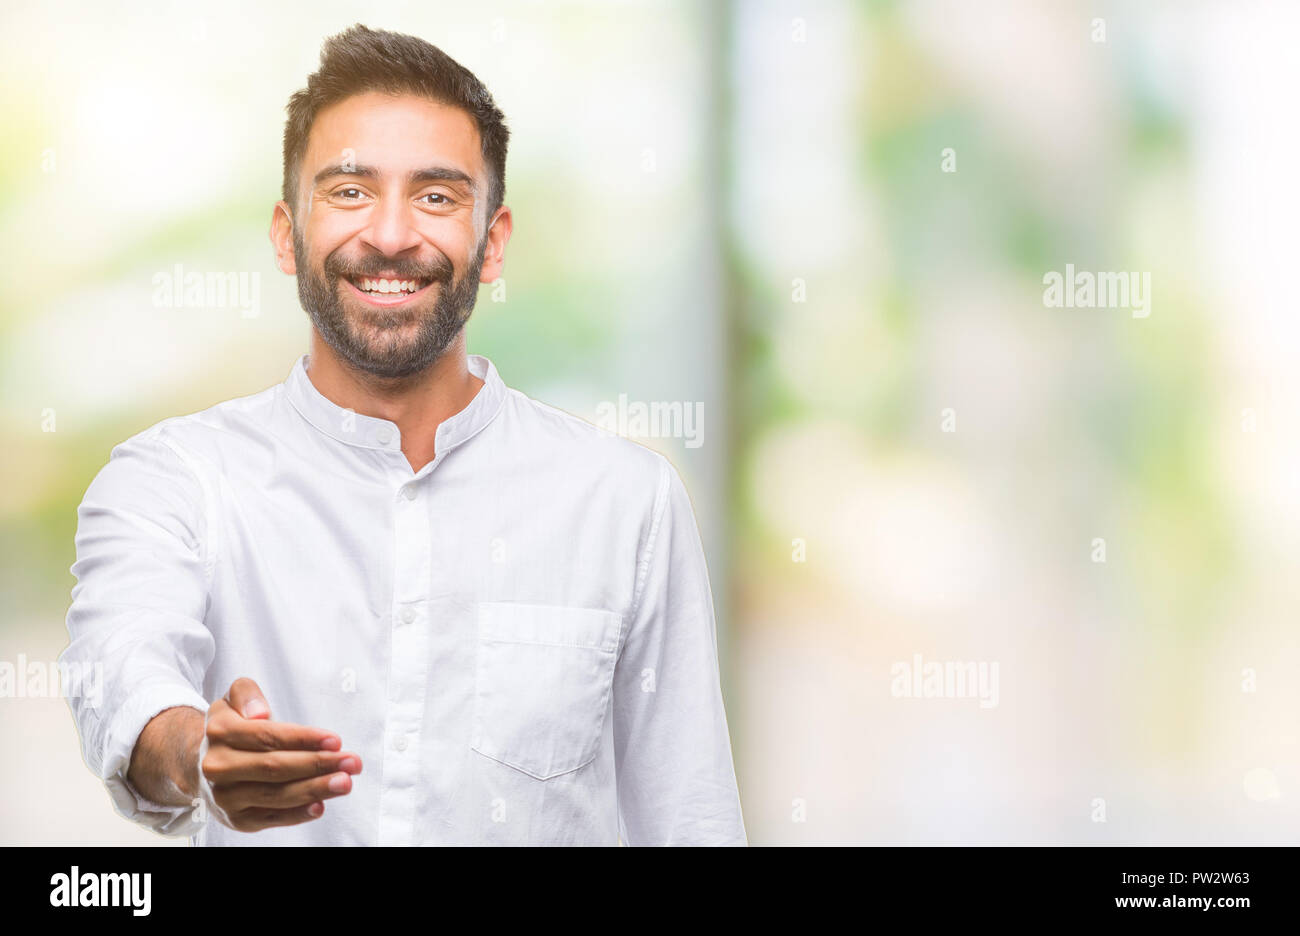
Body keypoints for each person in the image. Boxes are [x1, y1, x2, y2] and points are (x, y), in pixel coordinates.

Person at [59, 24, 745, 846]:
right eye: (349, 192)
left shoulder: (625, 503)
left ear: (492, 244)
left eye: (437, 195)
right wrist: (198, 751)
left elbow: (690, 818)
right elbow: (123, 673)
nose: (389, 235)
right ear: (287, 233)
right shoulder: (175, 481)